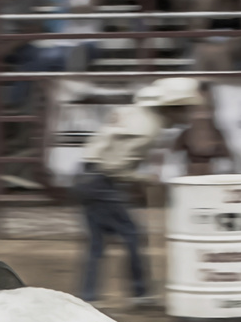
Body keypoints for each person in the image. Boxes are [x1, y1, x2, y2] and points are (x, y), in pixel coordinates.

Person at [73, 76, 204, 308]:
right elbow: (114, 168)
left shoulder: (134, 114)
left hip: (87, 175)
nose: (187, 115)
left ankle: (89, 296)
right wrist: (144, 179)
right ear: (172, 108)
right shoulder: (149, 129)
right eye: (185, 109)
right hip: (101, 180)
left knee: (98, 243)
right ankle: (138, 293)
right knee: (131, 234)